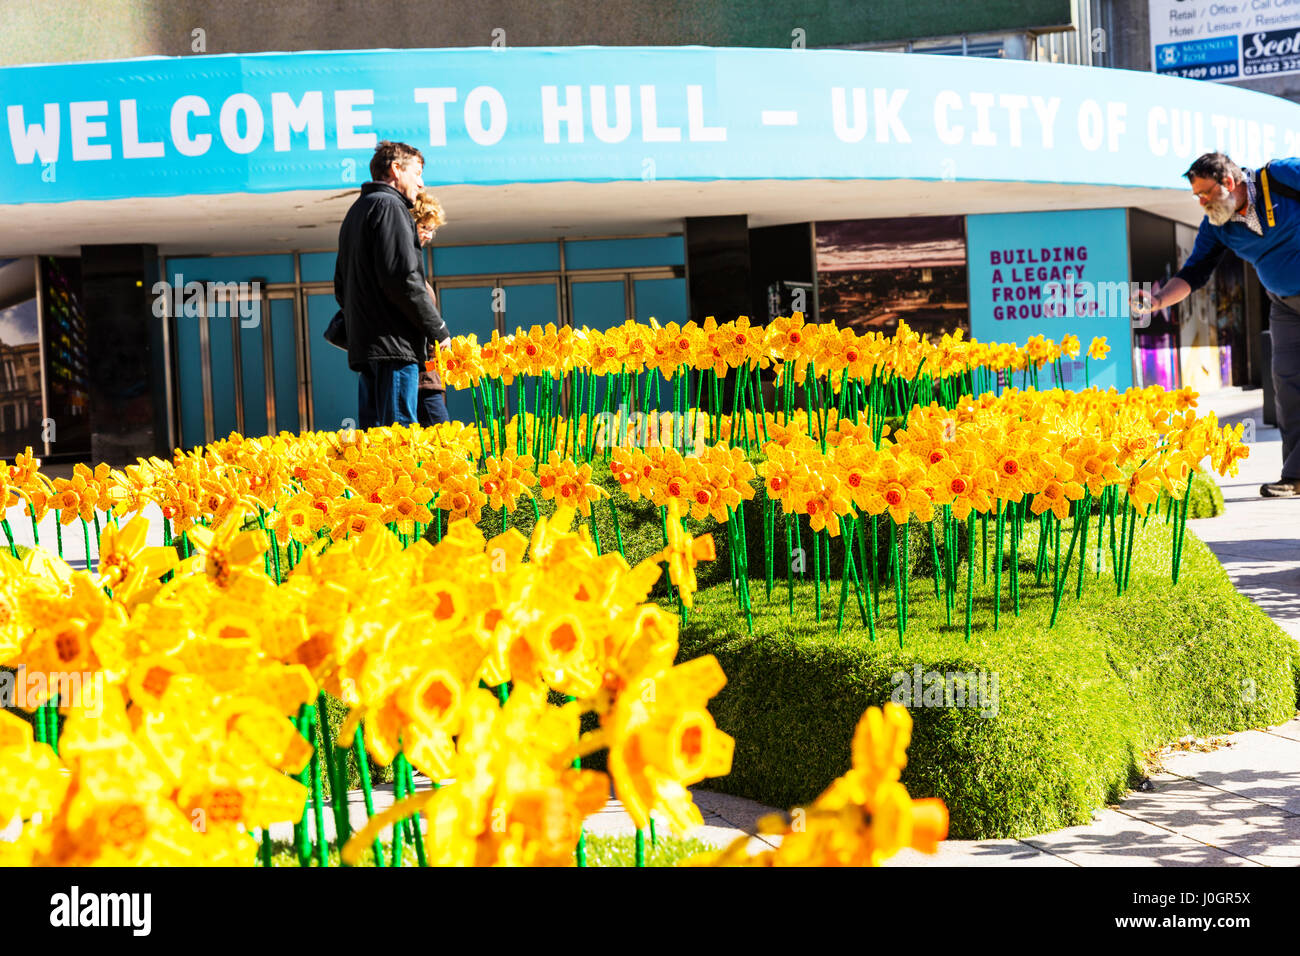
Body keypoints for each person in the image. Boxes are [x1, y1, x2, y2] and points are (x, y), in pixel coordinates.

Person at [1134, 152, 1300, 497]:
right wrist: (1159, 300)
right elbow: (1194, 272)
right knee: (1288, 388)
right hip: (1286, 306)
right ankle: (1296, 476)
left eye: (1204, 193)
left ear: (1228, 181)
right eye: (1196, 196)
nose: (1201, 202)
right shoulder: (1218, 226)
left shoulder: (1282, 177)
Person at [334, 140, 450, 430]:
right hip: (395, 350)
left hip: (367, 351)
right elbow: (405, 280)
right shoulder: (391, 207)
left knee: (375, 448)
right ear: (396, 169)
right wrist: (439, 331)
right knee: (399, 444)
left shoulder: (357, 211)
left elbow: (340, 287)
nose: (421, 184)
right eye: (418, 173)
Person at [411, 191, 450, 427]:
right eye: (424, 226)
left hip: (426, 373)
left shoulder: (413, 263)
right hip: (421, 375)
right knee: (443, 437)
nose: (429, 235)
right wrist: (441, 331)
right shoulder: (408, 265)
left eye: (432, 229)